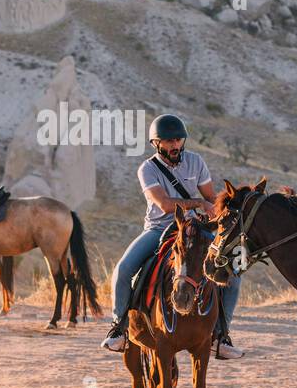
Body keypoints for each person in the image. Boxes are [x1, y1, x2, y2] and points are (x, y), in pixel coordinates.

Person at [101, 114, 244, 360]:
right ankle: (119, 328)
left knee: (232, 276)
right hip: (159, 229)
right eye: (168, 141)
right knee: (123, 270)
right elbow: (165, 204)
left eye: (178, 140)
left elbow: (210, 197)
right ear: (157, 143)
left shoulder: (196, 161)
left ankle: (221, 335)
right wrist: (197, 202)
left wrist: (223, 208)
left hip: (196, 229)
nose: (175, 145)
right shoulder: (147, 168)